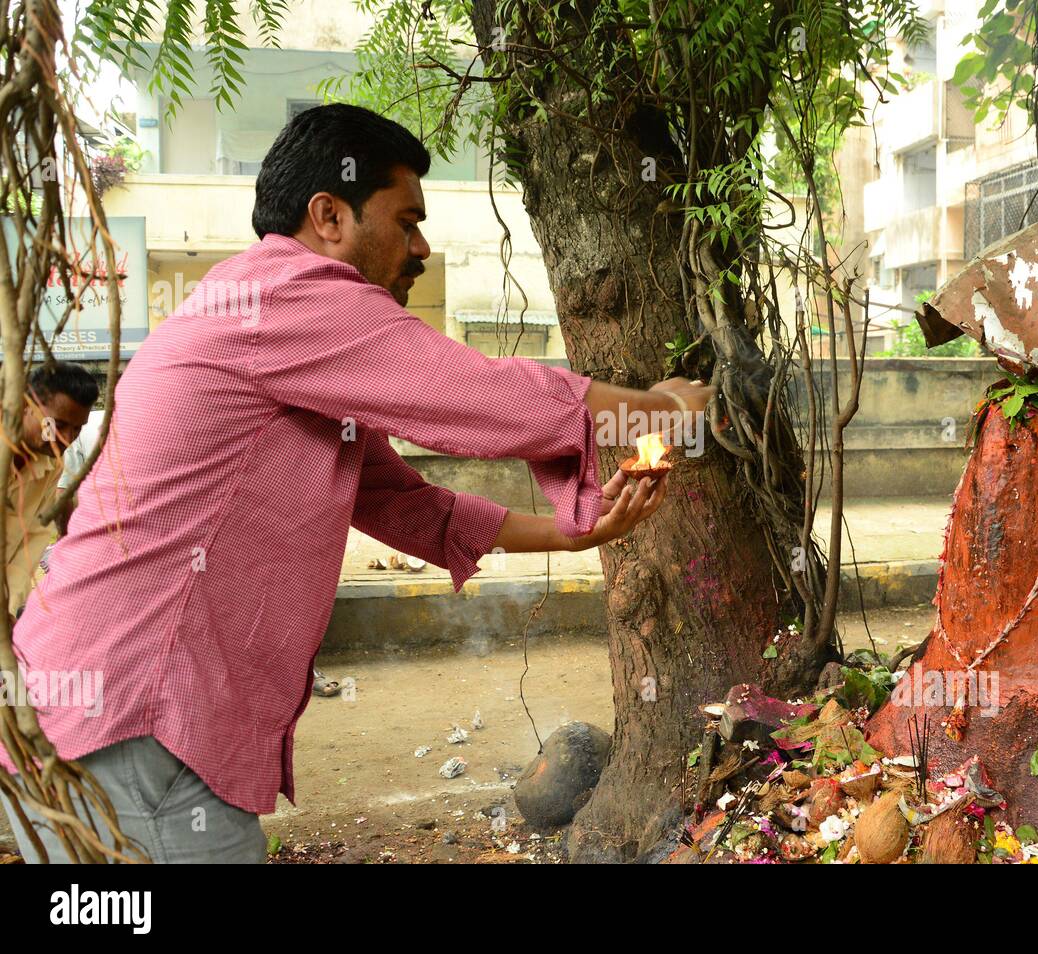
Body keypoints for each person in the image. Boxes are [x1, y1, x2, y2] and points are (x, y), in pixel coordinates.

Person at [0, 103, 713, 863]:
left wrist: (577, 532)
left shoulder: (262, 315)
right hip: (136, 726)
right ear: (329, 214)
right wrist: (660, 411)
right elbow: (477, 392)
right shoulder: (287, 295)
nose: (421, 248)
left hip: (91, 719)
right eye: (406, 222)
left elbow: (403, 503)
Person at [5, 362, 96, 624]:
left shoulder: (52, 465)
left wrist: (9, 607)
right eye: (57, 425)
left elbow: (30, 540)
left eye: (77, 429)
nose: (67, 438)